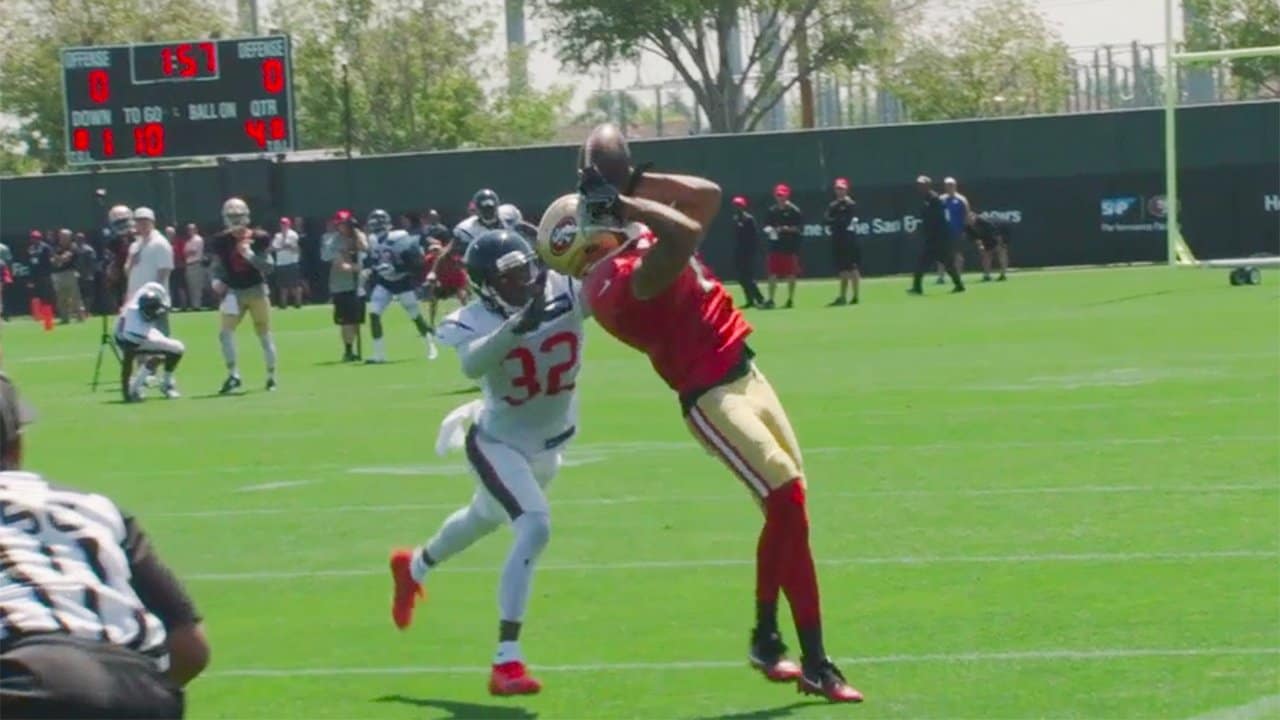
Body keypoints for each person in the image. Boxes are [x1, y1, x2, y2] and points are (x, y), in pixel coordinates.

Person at [534, 161, 863, 702]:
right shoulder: (608, 285)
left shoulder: (628, 243)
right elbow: (684, 233)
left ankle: (767, 638)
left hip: (748, 373)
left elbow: (707, 195)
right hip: (710, 395)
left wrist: (633, 182)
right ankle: (815, 661)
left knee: (790, 513)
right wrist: (630, 204)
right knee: (785, 494)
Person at [389, 228, 586, 697]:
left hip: (549, 446)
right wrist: (517, 325)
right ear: (485, 286)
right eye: (509, 277)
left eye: (525, 269)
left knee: (481, 517)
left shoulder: (565, 288)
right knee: (534, 526)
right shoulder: (469, 320)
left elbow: (615, 295)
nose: (523, 281)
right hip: (498, 443)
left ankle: (413, 567)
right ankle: (506, 661)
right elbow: (472, 365)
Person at [0, 372, 209, 718]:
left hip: (18, 682)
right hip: (139, 690)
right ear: (18, 447)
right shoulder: (92, 507)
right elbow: (190, 645)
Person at [208, 197, 278, 394]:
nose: (236, 221)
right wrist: (215, 280)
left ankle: (271, 376)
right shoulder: (221, 240)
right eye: (232, 217)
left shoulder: (259, 237)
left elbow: (269, 267)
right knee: (225, 334)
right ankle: (233, 375)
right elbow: (217, 265)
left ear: (246, 217)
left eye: (238, 216)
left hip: (256, 290)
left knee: (263, 334)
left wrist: (249, 255)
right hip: (233, 292)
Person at [363, 209, 437, 364]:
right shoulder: (372, 240)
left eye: (378, 224)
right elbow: (373, 260)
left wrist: (396, 268)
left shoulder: (400, 238)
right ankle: (379, 354)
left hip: (402, 282)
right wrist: (370, 269)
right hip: (385, 282)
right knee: (374, 314)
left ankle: (431, 346)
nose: (376, 228)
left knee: (415, 316)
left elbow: (416, 263)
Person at [115, 282, 184, 402]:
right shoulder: (134, 326)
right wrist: (126, 392)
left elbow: (152, 288)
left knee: (177, 349)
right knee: (172, 351)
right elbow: (127, 362)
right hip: (126, 337)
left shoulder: (150, 291)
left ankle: (166, 382)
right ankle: (134, 387)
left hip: (142, 331)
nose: (156, 313)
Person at [322, 210, 368, 362]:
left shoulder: (358, 236)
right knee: (347, 321)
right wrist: (356, 267)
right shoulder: (333, 241)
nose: (344, 227)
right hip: (342, 285)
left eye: (346, 224)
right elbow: (340, 264)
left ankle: (353, 347)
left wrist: (357, 235)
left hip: (358, 285)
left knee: (357, 320)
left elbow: (366, 248)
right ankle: (348, 350)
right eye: (341, 224)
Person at [910, 175, 965, 295]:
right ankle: (959, 285)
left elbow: (935, 219)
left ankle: (917, 287)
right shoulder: (926, 198)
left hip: (938, 239)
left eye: (921, 184)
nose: (919, 187)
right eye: (918, 185)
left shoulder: (934, 199)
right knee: (946, 264)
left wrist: (926, 231)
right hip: (933, 238)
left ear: (927, 185)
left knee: (924, 263)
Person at [763, 184, 803, 309]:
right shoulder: (772, 210)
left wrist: (786, 229)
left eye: (782, 195)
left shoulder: (794, 210)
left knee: (790, 274)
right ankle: (771, 299)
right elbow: (766, 226)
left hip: (789, 247)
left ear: (787, 195)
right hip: (775, 246)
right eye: (778, 195)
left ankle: (790, 299)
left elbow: (799, 228)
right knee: (772, 274)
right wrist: (770, 230)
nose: (780, 197)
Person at [824, 178, 860, 306]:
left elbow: (846, 221)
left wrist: (836, 221)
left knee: (852, 267)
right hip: (837, 239)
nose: (839, 191)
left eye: (842, 188)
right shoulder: (833, 205)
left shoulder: (850, 204)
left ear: (846, 189)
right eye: (837, 188)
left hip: (849, 240)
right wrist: (836, 221)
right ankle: (843, 296)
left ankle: (855, 296)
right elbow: (826, 219)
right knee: (842, 269)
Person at [125, 208, 174, 301]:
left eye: (145, 222)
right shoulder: (134, 245)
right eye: (139, 222)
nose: (142, 225)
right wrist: (131, 262)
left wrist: (153, 293)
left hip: (154, 299)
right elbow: (127, 272)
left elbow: (165, 271)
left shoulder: (160, 243)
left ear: (152, 223)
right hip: (134, 298)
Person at [730, 196, 766, 308]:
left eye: (739, 205)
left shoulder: (749, 219)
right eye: (735, 205)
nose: (736, 208)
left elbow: (754, 237)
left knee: (749, 277)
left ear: (743, 206)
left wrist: (753, 251)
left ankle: (759, 298)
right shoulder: (735, 219)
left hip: (748, 253)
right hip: (739, 252)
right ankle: (750, 300)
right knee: (741, 278)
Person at [937, 177, 970, 284]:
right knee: (941, 255)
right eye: (947, 185)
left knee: (957, 255)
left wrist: (965, 230)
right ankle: (941, 277)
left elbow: (967, 216)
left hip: (957, 232)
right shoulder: (940, 199)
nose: (949, 187)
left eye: (951, 185)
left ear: (955, 186)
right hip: (943, 233)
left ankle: (958, 276)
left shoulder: (962, 199)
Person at [965, 211, 1011, 282]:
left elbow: (997, 233)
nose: (969, 220)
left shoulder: (985, 222)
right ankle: (987, 275)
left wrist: (1000, 244)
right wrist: (981, 246)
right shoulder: (967, 227)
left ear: (975, 216)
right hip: (987, 236)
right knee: (986, 255)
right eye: (967, 219)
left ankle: (1003, 274)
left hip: (1002, 231)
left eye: (970, 217)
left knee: (1001, 252)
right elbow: (975, 238)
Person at [50, 229, 83, 323]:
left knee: (75, 297)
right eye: (61, 236)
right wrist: (58, 259)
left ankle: (80, 317)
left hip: (70, 273)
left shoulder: (73, 247)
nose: (62, 238)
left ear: (69, 237)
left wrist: (58, 259)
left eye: (64, 236)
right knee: (61, 298)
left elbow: (65, 258)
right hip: (58, 275)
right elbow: (52, 261)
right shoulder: (56, 247)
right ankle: (64, 318)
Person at [272, 217, 303, 309]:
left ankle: (298, 303)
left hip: (292, 263)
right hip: (281, 264)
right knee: (283, 286)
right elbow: (274, 248)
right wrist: (283, 246)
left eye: (285, 224)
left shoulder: (293, 234)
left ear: (289, 225)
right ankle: (283, 305)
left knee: (295, 285)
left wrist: (286, 246)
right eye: (282, 224)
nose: (283, 226)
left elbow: (295, 248)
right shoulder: (277, 235)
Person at [26, 231, 55, 323]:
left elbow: (50, 261)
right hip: (35, 276)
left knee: (46, 296)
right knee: (36, 296)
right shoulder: (30, 249)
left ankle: (47, 316)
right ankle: (38, 316)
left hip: (45, 275)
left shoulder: (45, 247)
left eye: (36, 238)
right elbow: (30, 263)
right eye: (33, 238)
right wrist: (30, 279)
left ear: (40, 238)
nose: (34, 240)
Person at [183, 224, 207, 310]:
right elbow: (185, 252)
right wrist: (187, 252)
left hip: (196, 264)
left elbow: (193, 251)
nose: (190, 231)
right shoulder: (189, 240)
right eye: (189, 229)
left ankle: (197, 305)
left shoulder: (198, 239)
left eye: (192, 229)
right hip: (189, 265)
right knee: (191, 286)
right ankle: (194, 305)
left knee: (196, 286)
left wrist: (187, 252)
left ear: (196, 230)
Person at [74, 232, 98, 316]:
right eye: (77, 238)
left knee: (87, 295)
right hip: (76, 276)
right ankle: (79, 312)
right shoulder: (73, 249)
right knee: (77, 295)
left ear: (83, 239)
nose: (78, 240)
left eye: (80, 239)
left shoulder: (88, 250)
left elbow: (92, 263)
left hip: (87, 276)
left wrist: (90, 273)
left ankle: (87, 311)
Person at [167, 226, 187, 310]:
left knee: (180, 286)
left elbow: (183, 254)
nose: (169, 234)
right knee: (170, 287)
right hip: (169, 268)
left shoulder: (179, 242)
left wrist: (180, 262)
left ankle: (183, 306)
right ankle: (170, 305)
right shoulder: (165, 243)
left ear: (174, 233)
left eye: (171, 233)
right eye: (168, 233)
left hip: (179, 267)